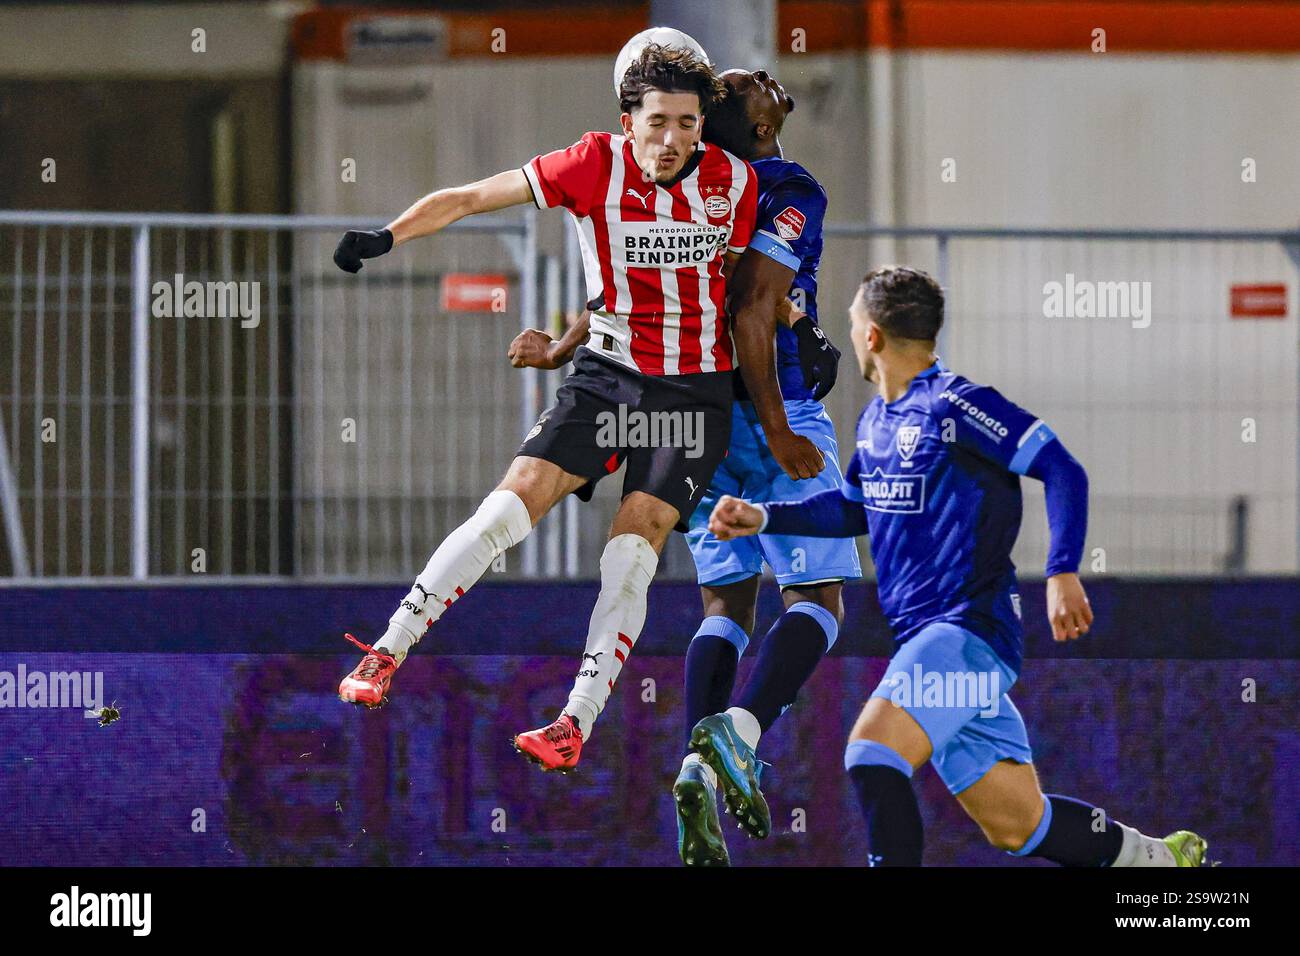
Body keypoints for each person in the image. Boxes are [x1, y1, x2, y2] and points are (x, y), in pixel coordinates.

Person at [332, 43, 823, 775]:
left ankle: (573, 724)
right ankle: (388, 651)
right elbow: (468, 198)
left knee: (630, 558)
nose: (670, 141)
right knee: (505, 511)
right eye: (656, 122)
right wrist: (386, 235)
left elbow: (746, 289)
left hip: (693, 392)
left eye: (687, 124)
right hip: (607, 379)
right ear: (627, 121)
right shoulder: (591, 164)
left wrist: (802, 321)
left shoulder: (738, 183)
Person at [708, 266, 1207, 867]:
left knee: (871, 754)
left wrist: (1062, 570)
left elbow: (1062, 468)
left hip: (967, 632)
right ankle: (1162, 860)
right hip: (932, 642)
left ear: (871, 336)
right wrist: (765, 518)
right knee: (1020, 826)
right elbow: (851, 509)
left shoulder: (956, 405)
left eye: (852, 322)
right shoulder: (876, 421)